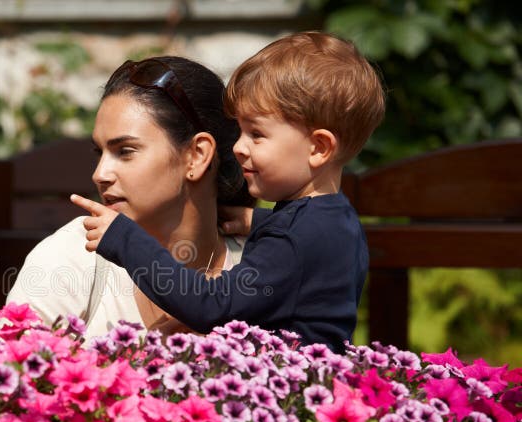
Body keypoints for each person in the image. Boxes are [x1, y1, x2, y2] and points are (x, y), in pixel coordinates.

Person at [71, 31, 386, 351]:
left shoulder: (294, 239)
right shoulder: (336, 218)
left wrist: (125, 240)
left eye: (256, 134)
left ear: (318, 147)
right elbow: (301, 251)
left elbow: (212, 305)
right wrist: (257, 221)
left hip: (289, 391)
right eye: (240, 132)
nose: (238, 147)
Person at [6, 56, 254, 339]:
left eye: (125, 151)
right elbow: (16, 373)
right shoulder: (74, 256)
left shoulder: (265, 264)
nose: (100, 174)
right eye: (100, 153)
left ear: (196, 156)